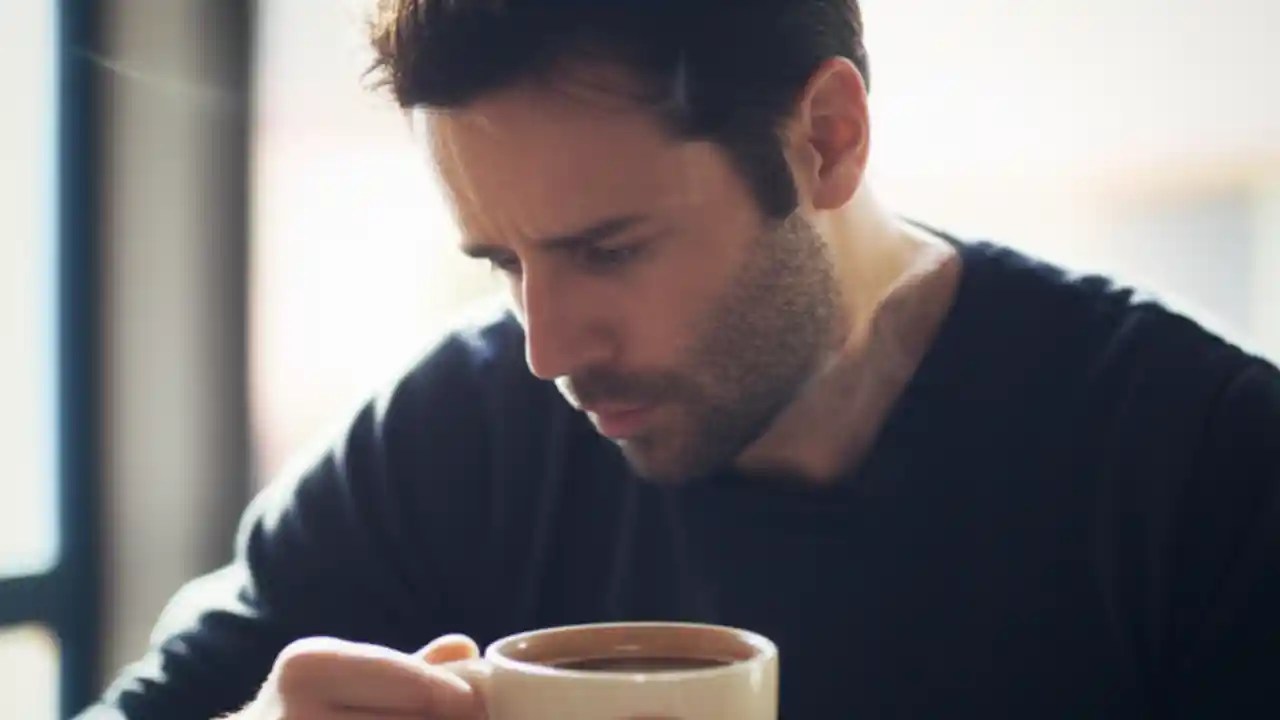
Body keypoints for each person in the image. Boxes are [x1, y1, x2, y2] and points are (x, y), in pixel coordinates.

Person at [80, 1, 1280, 718]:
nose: (547, 348)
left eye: (607, 251)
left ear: (825, 141)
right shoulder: (448, 441)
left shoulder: (1203, 466)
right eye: (501, 262)